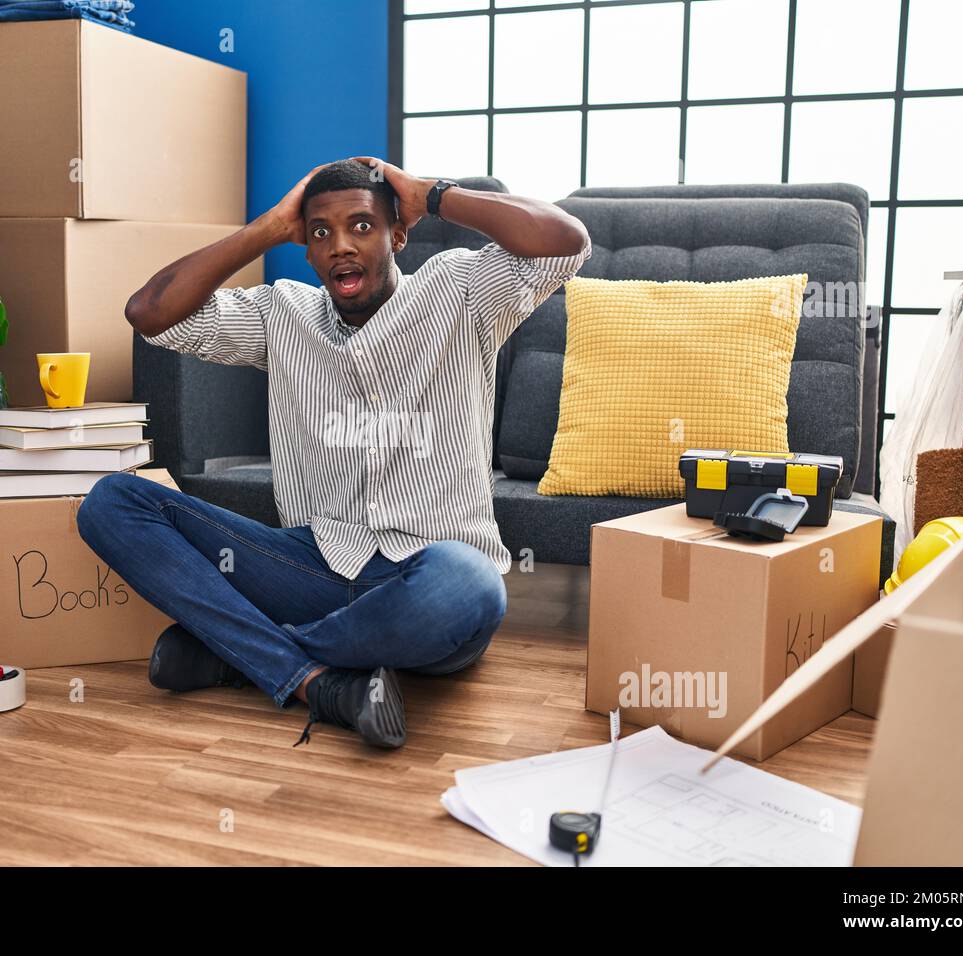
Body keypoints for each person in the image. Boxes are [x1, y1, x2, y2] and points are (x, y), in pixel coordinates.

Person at [77, 157, 591, 749]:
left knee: (471, 581)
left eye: (363, 226)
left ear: (398, 234)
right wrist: (267, 227)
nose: (341, 246)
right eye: (321, 232)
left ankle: (245, 656)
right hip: (314, 566)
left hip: (428, 582)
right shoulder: (282, 314)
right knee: (111, 500)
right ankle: (316, 680)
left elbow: (564, 243)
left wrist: (431, 195)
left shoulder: (461, 291)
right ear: (306, 246)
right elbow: (150, 314)